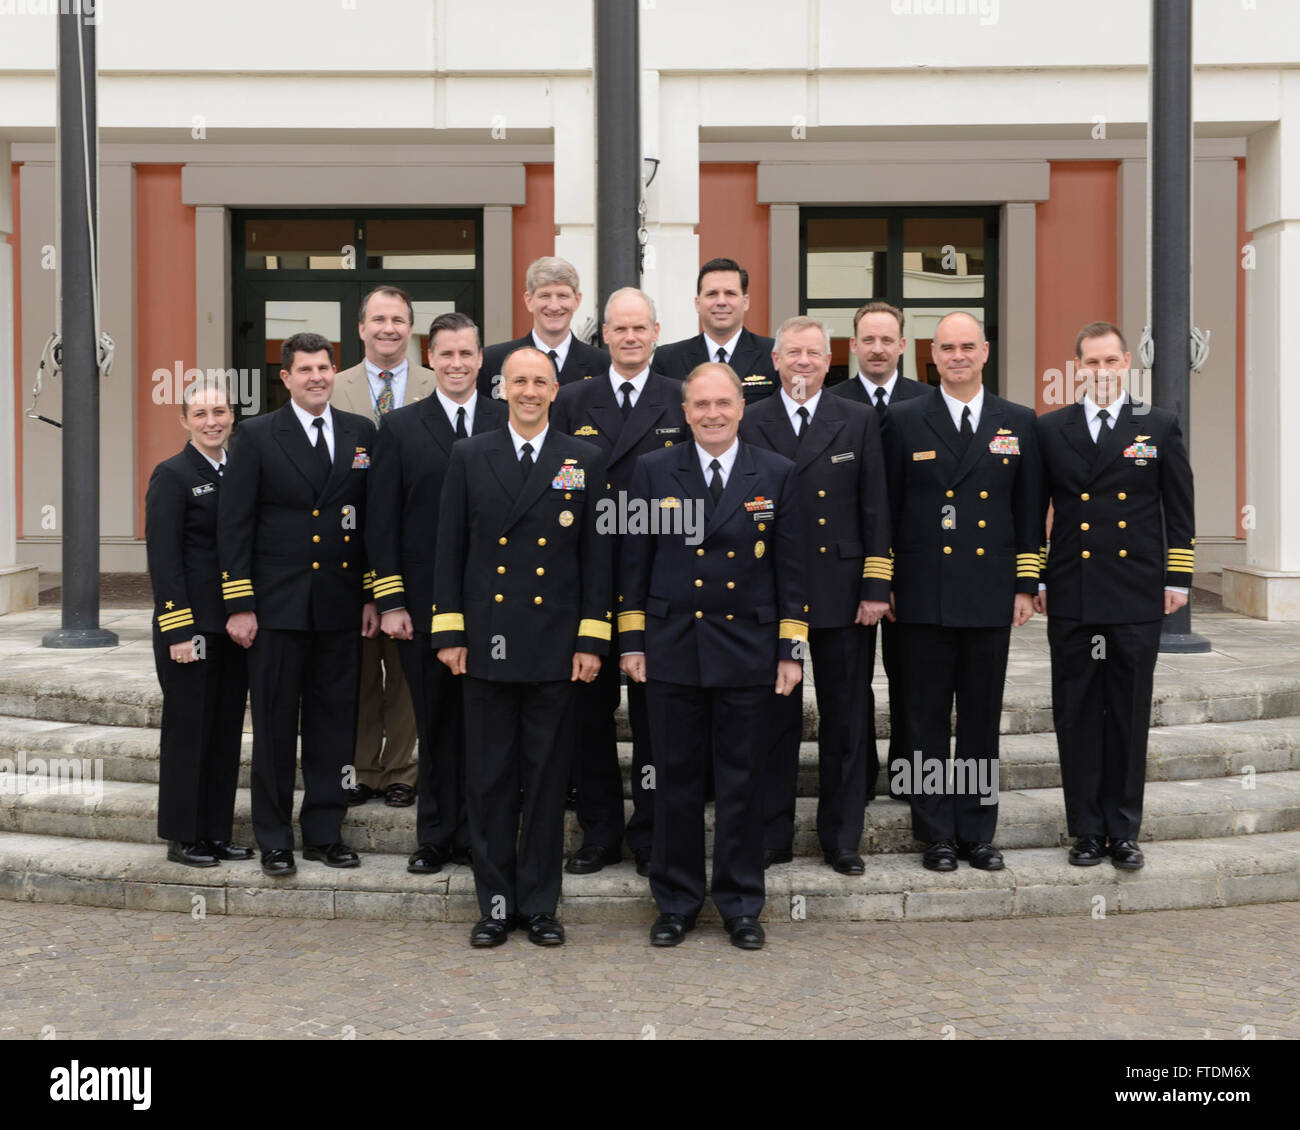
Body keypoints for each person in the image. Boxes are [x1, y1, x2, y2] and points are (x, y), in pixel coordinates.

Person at [620, 362, 808, 951]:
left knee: (741, 783)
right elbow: (634, 562)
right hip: (672, 648)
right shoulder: (653, 470)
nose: (712, 414)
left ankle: (740, 903)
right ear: (685, 412)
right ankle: (675, 902)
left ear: (741, 408)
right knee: (672, 782)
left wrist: (790, 649)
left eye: (722, 403)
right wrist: (631, 640)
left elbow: (793, 568)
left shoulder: (776, 473)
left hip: (748, 652)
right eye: (700, 405)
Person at [432, 347, 612, 948]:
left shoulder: (584, 459)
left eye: (540, 381)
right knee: (488, 781)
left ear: (555, 390)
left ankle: (539, 905)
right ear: (500, 389)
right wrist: (450, 631)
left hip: (557, 649)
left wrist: (593, 637)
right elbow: (449, 549)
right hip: (486, 645)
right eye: (519, 382)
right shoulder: (469, 455)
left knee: (544, 780)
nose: (530, 391)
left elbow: (597, 558)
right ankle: (496, 906)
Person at [882, 312, 1043, 873]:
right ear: (932, 355)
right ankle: (936, 833)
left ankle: (977, 830)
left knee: (979, 719)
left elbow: (1028, 511)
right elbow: (887, 510)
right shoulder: (904, 420)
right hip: (921, 594)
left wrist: (1027, 582)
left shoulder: (1018, 421)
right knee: (925, 719)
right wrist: (887, 580)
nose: (956, 355)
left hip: (988, 593)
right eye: (946, 347)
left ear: (985, 352)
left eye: (966, 346)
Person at [1034, 321, 1195, 871]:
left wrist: (1177, 580)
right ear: (1078, 367)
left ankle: (1123, 830)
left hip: (1134, 593)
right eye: (1091, 363)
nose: (1101, 372)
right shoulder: (1051, 428)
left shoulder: (1159, 425)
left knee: (1127, 714)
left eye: (1110, 361)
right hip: (1073, 593)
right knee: (1076, 712)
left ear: (1127, 363)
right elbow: (1034, 509)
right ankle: (1084, 830)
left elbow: (1179, 509)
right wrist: (1033, 576)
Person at [219, 332, 380, 877]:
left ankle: (325, 833)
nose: (316, 377)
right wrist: (239, 604)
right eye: (304, 369)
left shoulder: (361, 433)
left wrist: (369, 594)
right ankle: (274, 838)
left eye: (324, 367)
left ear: (335, 372)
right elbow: (234, 526)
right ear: (284, 378)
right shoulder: (257, 435)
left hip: (338, 608)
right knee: (274, 727)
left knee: (335, 726)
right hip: (277, 610)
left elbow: (370, 525)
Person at [741, 316, 891, 875]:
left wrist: (877, 585)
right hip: (773, 595)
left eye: (814, 353)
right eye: (793, 353)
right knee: (773, 722)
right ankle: (772, 834)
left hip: (844, 594)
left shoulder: (856, 420)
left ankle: (841, 837)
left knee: (846, 720)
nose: (803, 361)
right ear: (775, 360)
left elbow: (876, 508)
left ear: (830, 362)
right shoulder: (751, 421)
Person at [550, 287, 687, 878]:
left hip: (662, 579)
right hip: (589, 578)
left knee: (657, 716)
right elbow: (554, 483)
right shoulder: (572, 400)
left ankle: (652, 833)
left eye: (640, 329)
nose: (629, 339)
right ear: (602, 334)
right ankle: (599, 832)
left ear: (656, 331)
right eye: (618, 329)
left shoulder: (681, 399)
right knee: (589, 714)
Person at [366, 312, 506, 876]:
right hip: (422, 608)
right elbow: (382, 523)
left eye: (466, 354)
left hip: (496, 608)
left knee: (484, 730)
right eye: (445, 354)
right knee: (434, 724)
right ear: (430, 359)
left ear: (480, 358)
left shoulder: (505, 419)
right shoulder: (399, 427)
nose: (456, 364)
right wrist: (391, 601)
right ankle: (434, 837)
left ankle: (478, 837)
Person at [332, 285, 434, 810]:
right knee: (359, 668)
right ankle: (360, 766)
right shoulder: (333, 386)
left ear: (410, 328)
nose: (388, 328)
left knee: (405, 672)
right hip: (346, 556)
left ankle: (402, 770)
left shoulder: (436, 385)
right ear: (361, 328)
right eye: (378, 319)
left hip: (410, 555)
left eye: (398, 319)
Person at [145, 378, 251, 869]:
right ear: (185, 421)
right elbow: (165, 561)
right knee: (189, 733)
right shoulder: (172, 475)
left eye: (221, 411)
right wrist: (178, 632)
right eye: (202, 413)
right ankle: (183, 835)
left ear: (232, 416)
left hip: (232, 627)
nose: (213, 421)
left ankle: (215, 831)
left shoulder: (241, 471)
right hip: (192, 628)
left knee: (226, 731)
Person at [833, 301, 928, 798]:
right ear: (853, 345)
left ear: (902, 346)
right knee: (852, 683)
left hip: (915, 570)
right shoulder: (830, 403)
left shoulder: (930, 402)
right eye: (868, 339)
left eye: (887, 339)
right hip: (849, 572)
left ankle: (908, 775)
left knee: (910, 680)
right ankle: (860, 776)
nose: (877, 348)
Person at [650, 258, 778, 404]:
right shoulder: (668, 360)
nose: (721, 302)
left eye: (730, 293)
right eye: (712, 294)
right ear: (697, 303)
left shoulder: (773, 355)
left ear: (745, 302)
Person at [477, 256, 609, 397]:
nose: (554, 306)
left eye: (562, 296)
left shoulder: (603, 365)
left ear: (577, 300)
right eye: (545, 296)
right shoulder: (491, 363)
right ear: (529, 301)